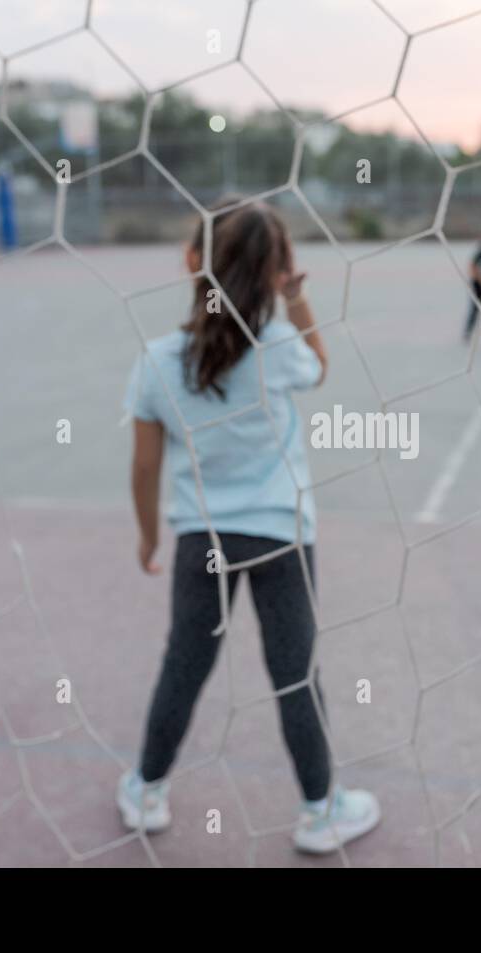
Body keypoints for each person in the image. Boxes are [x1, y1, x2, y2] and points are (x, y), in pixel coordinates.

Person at [118, 197, 381, 854]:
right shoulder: (281, 348)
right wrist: (295, 302)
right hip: (282, 535)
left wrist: (150, 535)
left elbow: (145, 467)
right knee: (294, 672)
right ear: (274, 271)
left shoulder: (157, 361)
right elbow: (321, 367)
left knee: (186, 662)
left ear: (189, 261)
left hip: (202, 539)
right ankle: (320, 812)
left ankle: (147, 789)